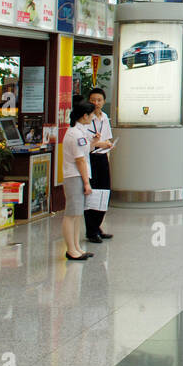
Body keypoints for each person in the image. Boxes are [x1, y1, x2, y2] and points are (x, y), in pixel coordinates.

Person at [61, 101, 95, 261]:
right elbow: (80, 160)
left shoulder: (79, 133)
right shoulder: (75, 134)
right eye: (91, 114)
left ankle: (76, 247)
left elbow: (85, 151)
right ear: (84, 116)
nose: (92, 117)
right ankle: (71, 249)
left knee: (78, 214)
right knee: (72, 214)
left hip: (79, 175)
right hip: (75, 176)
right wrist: (86, 183)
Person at [84, 87, 115, 244]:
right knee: (92, 194)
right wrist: (102, 143)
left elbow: (107, 138)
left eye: (99, 100)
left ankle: (97, 226)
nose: (96, 103)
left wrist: (107, 145)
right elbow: (87, 142)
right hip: (90, 158)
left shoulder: (104, 117)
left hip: (102, 158)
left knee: (104, 192)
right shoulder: (86, 119)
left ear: (103, 102)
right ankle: (91, 230)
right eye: (93, 100)